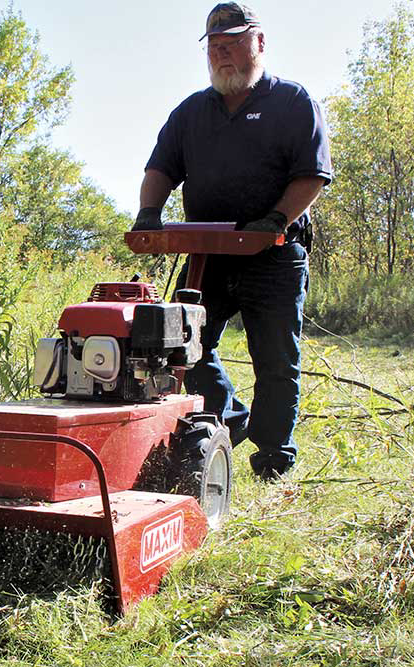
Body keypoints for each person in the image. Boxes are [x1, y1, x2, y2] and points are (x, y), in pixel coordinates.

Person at [132, 2, 332, 480]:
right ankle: (231, 419)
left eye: (234, 43)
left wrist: (277, 218)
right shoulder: (191, 113)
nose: (223, 54)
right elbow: (160, 168)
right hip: (208, 255)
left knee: (277, 362)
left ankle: (273, 460)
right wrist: (148, 212)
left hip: (274, 255)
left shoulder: (292, 102)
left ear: (259, 43)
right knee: (181, 344)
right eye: (215, 47)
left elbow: (313, 175)